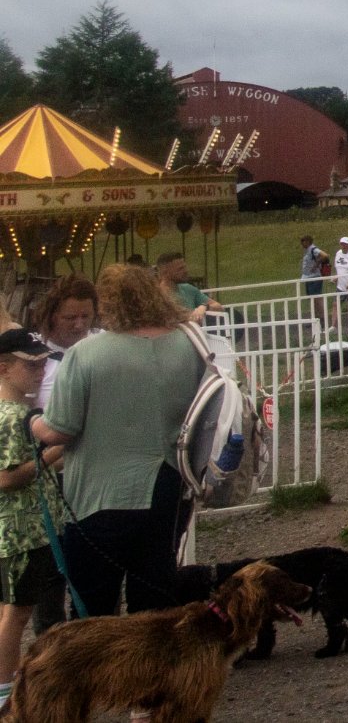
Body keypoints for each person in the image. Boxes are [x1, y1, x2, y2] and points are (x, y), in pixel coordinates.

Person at [32, 264, 205, 619]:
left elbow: (59, 430)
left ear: (107, 303)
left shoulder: (88, 354)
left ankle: (101, 672)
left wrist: (30, 422)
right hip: (168, 485)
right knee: (153, 596)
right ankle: (149, 671)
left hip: (100, 494)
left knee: (94, 604)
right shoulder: (188, 345)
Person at [0, 329, 61, 708]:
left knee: (10, 610)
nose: (40, 371)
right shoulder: (15, 417)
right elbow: (7, 478)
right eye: (30, 364)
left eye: (42, 363)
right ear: (4, 368)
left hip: (16, 532)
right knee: (18, 613)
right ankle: (4, 691)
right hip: (22, 533)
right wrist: (55, 450)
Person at [33, 278, 97, 411]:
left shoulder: (105, 346)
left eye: (85, 316)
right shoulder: (31, 354)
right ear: (52, 316)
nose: (79, 325)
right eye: (70, 318)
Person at [154, 253, 211, 321]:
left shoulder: (189, 289)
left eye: (184, 267)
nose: (186, 271)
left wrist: (204, 306)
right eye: (180, 269)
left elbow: (218, 307)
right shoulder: (156, 296)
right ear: (165, 271)